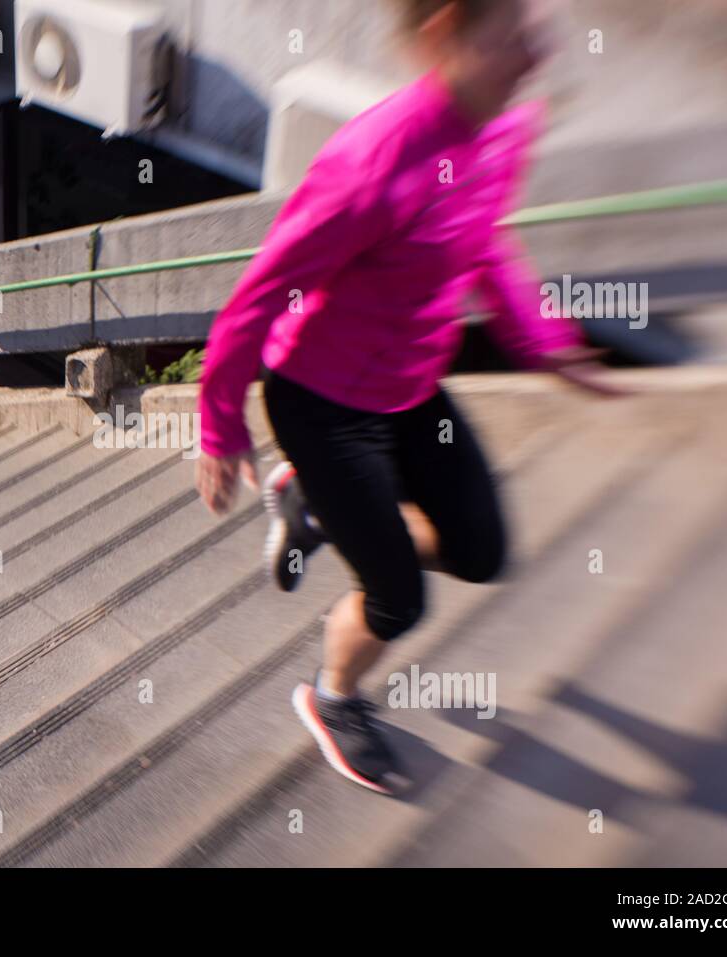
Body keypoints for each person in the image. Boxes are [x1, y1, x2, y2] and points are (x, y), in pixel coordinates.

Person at [195, 0, 621, 793]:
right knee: (398, 598)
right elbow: (262, 293)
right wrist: (220, 422)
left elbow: (486, 236)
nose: (537, 57)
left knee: (480, 551)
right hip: (321, 401)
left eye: (534, 35)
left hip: (410, 387)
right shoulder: (373, 160)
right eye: (512, 42)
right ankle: (333, 697)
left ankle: (317, 512)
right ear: (444, 35)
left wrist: (544, 344)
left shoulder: (500, 126)